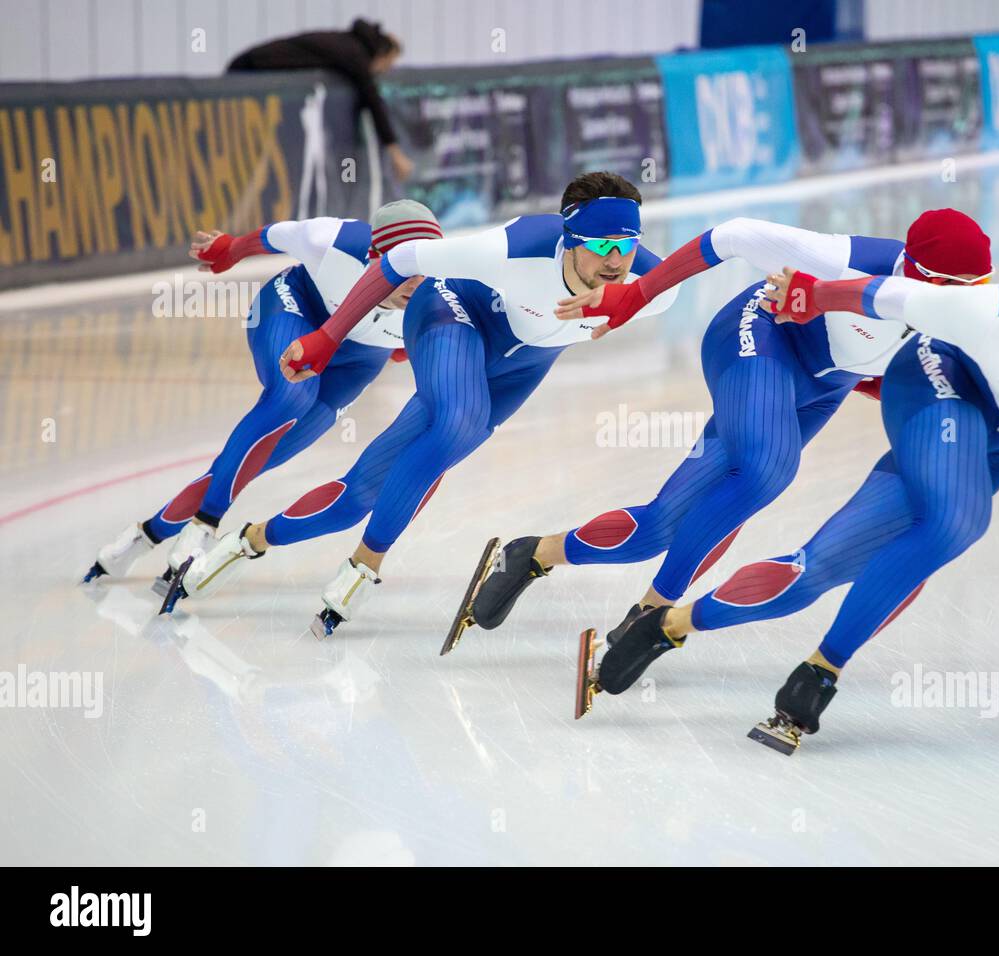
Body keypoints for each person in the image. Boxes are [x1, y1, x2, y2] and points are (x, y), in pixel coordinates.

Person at [590, 260, 999, 753]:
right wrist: (813, 292)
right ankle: (819, 674)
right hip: (939, 382)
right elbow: (897, 298)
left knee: (821, 569)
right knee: (957, 519)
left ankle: (668, 628)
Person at [455, 210, 994, 659]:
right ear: (912, 269)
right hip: (759, 340)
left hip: (826, 384)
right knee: (767, 468)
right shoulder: (841, 257)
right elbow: (729, 236)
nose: (958, 300)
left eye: (976, 289)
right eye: (947, 287)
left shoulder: (965, 305)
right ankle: (649, 615)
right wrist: (636, 295)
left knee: (663, 525)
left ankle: (532, 553)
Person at [167, 172, 678, 638]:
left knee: (361, 495)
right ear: (570, 238)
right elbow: (395, 263)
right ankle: (365, 565)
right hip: (452, 313)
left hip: (525, 364)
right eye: (602, 245)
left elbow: (681, 274)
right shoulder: (513, 247)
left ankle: (251, 539)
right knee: (461, 420)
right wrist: (326, 336)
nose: (616, 261)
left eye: (627, 245)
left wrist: (629, 294)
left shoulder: (650, 287)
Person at [83, 201, 440, 594]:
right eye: (403, 268)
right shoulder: (333, 242)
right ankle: (204, 525)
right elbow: (277, 235)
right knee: (292, 397)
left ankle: (147, 534)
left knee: (263, 456)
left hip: (358, 360)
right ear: (375, 257)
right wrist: (231, 249)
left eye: (425, 266)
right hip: (296, 307)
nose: (417, 282)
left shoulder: (442, 294)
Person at [228, 18, 414, 182]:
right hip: (247, 69)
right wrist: (395, 153)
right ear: (381, 54)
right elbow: (373, 100)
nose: (383, 72)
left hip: (248, 67)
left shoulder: (348, 45)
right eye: (387, 65)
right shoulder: (355, 53)